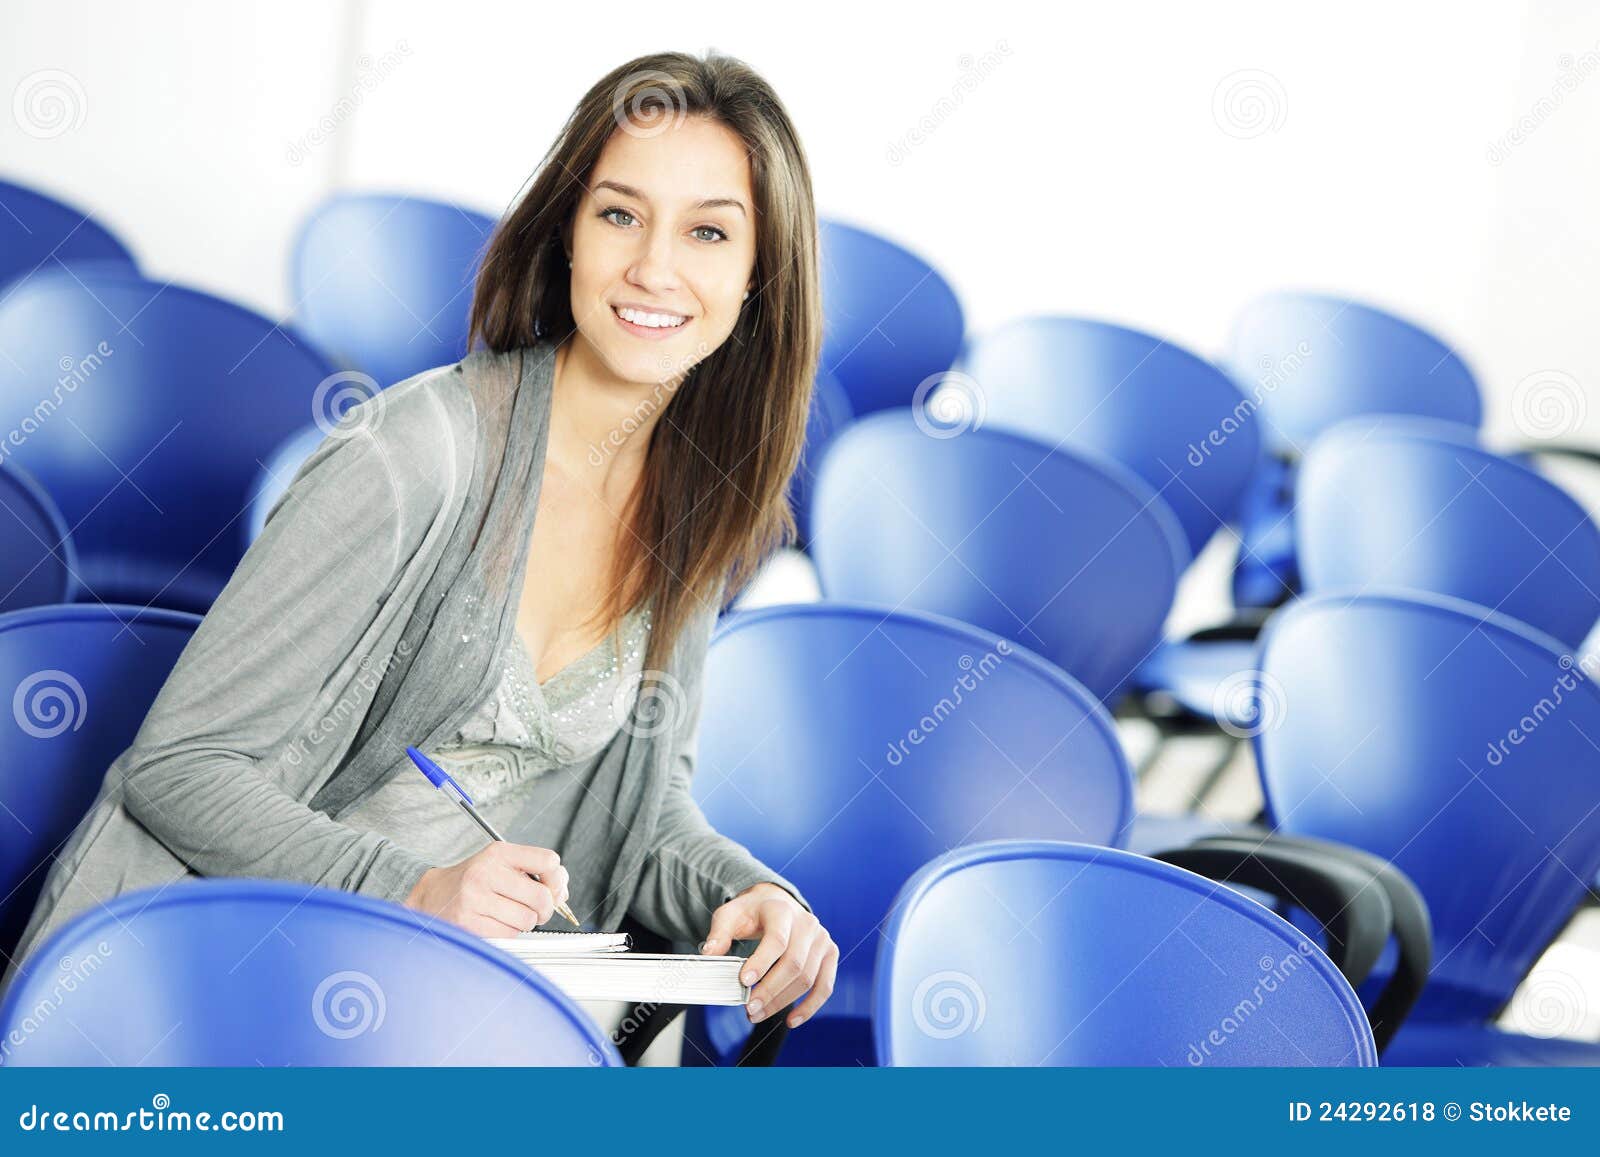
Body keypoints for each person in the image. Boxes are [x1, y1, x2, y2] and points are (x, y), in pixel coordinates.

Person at [2, 50, 837, 1040]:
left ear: (757, 279)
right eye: (618, 213)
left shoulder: (693, 504)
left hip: (424, 998)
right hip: (225, 976)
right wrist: (415, 886)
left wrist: (747, 891)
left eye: (707, 231)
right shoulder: (411, 459)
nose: (655, 265)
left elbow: (643, 810)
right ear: (568, 232)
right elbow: (180, 764)